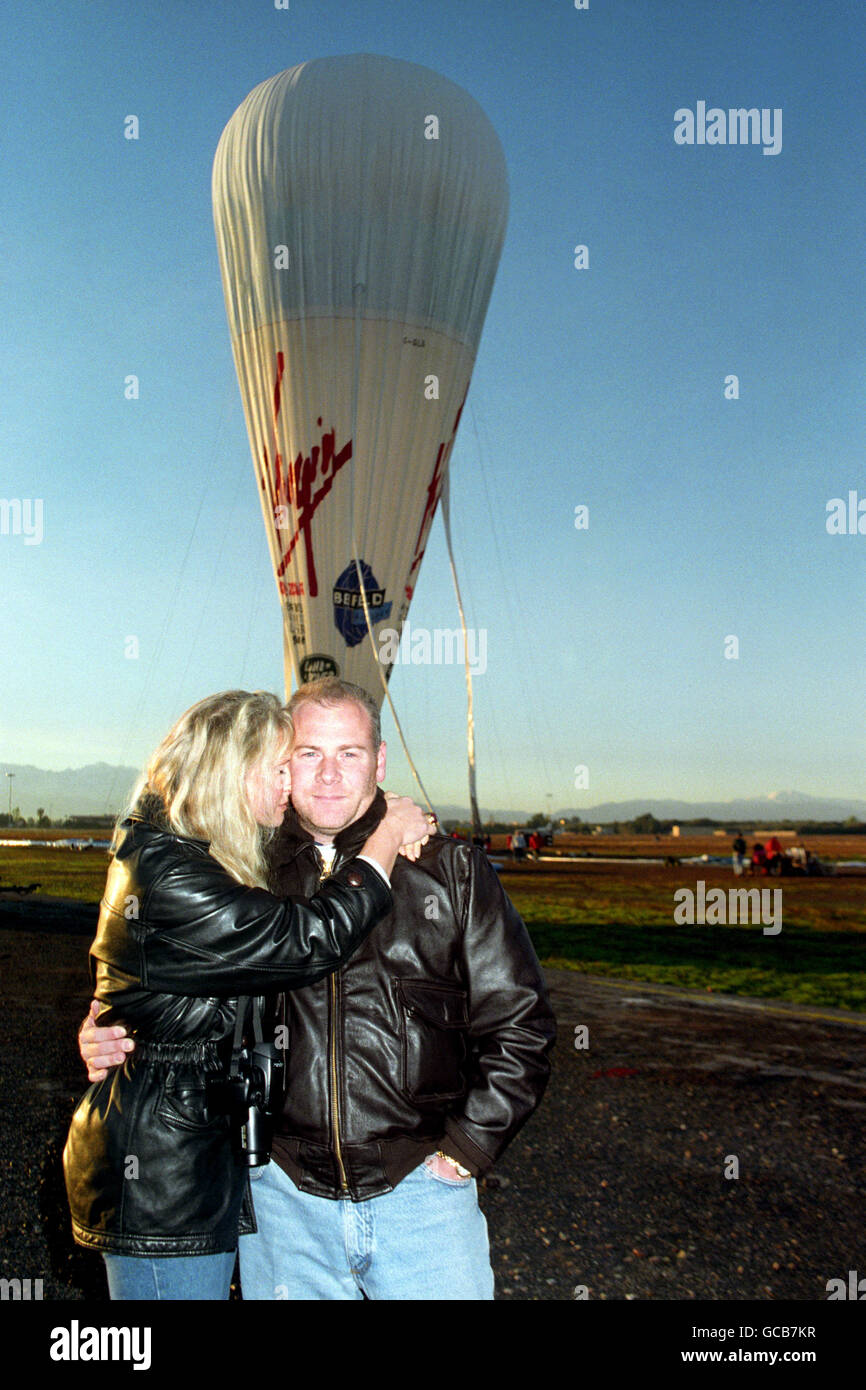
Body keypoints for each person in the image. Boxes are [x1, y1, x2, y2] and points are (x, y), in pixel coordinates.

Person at [81, 678, 556, 1300]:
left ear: (380, 762)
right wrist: (118, 1031)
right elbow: (185, 981)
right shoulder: (243, 871)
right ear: (279, 764)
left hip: (421, 1197)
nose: (328, 774)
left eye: (349, 753)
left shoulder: (449, 870)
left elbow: (522, 1022)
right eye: (307, 754)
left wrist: (468, 1146)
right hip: (281, 1201)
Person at [64, 688, 430, 1301]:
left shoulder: (185, 852)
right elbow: (309, 938)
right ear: (234, 773)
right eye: (282, 767)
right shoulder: (175, 874)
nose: (293, 784)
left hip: (186, 1169)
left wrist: (120, 1015)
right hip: (164, 1186)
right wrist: (389, 832)